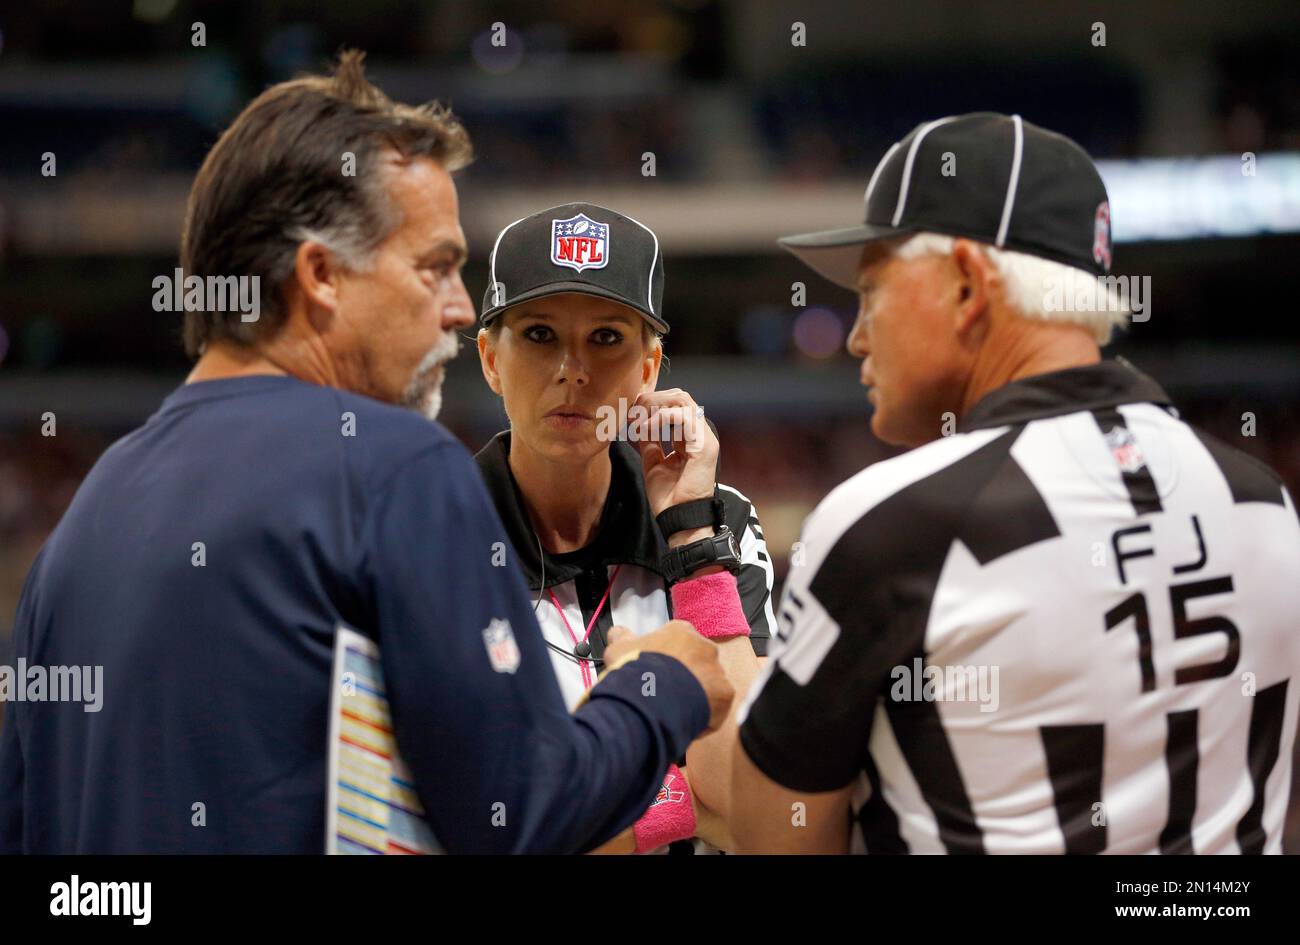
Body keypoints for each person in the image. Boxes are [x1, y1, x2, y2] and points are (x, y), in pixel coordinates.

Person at [0, 51, 733, 855]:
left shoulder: (90, 512)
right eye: (436, 268)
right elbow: (522, 815)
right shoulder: (392, 466)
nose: (458, 310)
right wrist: (660, 685)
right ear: (321, 276)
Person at [729, 112, 1300, 854]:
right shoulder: (1264, 503)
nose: (856, 335)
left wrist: (684, 668)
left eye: (873, 290)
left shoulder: (893, 523)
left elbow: (777, 838)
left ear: (968, 283)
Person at [475, 202, 773, 852]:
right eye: (539, 335)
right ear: (490, 359)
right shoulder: (432, 538)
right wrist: (678, 800)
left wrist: (692, 536)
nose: (572, 370)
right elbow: (486, 822)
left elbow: (760, 801)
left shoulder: (727, 521)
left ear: (649, 366)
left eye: (607, 337)